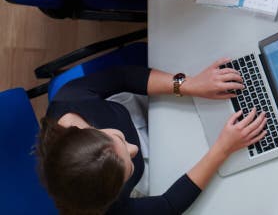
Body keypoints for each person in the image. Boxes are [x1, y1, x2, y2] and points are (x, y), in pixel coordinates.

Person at [37, 60, 265, 213]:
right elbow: (168, 205)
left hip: (138, 105)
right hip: (153, 170)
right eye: (127, 166)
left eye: (120, 140)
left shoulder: (71, 99)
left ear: (88, 130)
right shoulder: (104, 207)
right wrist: (222, 149)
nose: (134, 149)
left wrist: (188, 84)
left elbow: (122, 77)